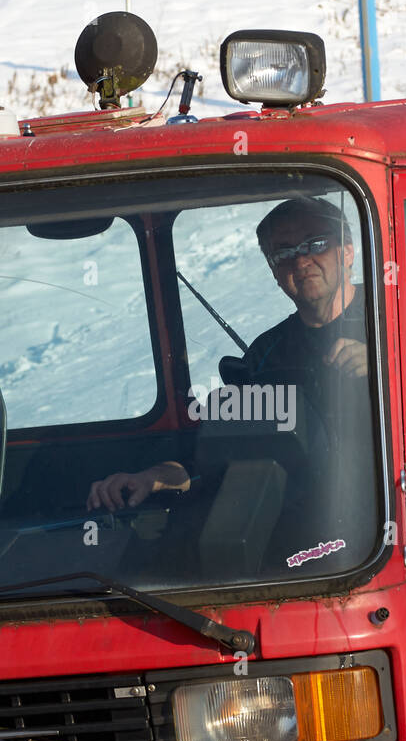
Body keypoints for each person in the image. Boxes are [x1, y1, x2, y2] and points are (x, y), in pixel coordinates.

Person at [86, 196, 372, 520]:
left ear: (347, 251)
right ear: (274, 272)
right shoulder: (266, 354)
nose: (300, 261)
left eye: (315, 244)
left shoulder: (396, 322)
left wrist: (384, 370)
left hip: (386, 516)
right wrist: (152, 477)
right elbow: (216, 449)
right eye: (283, 252)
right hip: (304, 522)